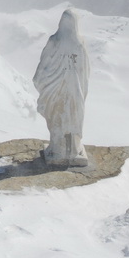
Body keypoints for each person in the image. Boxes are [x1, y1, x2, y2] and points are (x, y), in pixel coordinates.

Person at [33, 9, 90, 168]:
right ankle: (73, 150)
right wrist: (82, 90)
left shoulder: (54, 41)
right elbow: (85, 71)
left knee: (57, 116)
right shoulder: (80, 43)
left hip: (55, 88)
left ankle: (57, 149)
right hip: (74, 90)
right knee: (72, 116)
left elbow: (44, 64)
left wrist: (40, 79)